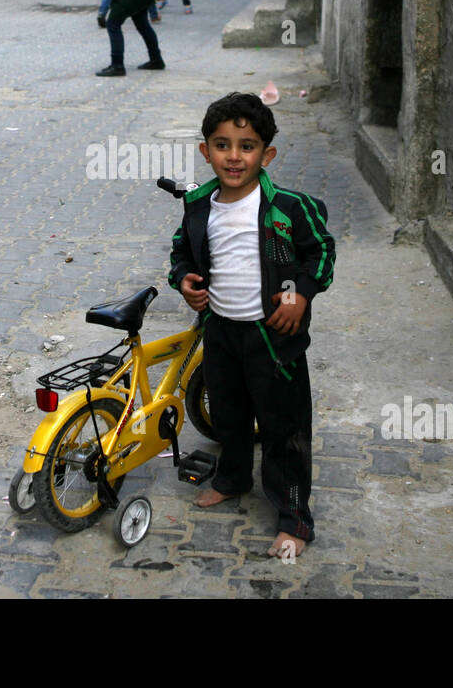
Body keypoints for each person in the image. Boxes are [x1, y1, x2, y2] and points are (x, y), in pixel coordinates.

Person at [168, 92, 335, 559]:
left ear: (267, 154)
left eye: (247, 146)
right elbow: (181, 251)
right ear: (206, 151)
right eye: (223, 145)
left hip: (274, 337)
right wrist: (184, 279)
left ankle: (294, 517)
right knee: (229, 415)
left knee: (285, 429)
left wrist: (300, 293)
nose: (234, 156)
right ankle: (232, 479)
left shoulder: (289, 207)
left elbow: (321, 252)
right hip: (220, 331)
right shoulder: (200, 204)